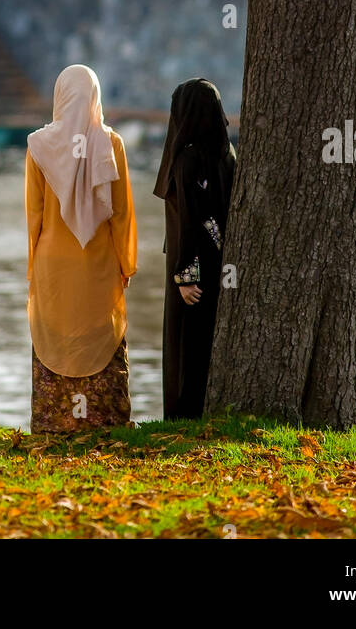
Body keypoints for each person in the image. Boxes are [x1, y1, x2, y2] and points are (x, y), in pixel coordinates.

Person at [25, 64, 137, 435]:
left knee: (57, 335)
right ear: (95, 97)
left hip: (52, 263)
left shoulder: (38, 145)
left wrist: (33, 269)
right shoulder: (111, 143)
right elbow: (120, 214)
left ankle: (54, 420)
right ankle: (104, 419)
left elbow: (35, 215)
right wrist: (126, 262)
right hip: (99, 264)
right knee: (98, 335)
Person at [154, 78, 236, 420]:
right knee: (207, 341)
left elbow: (190, 220)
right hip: (220, 264)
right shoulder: (227, 153)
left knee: (185, 342)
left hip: (192, 270)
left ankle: (182, 415)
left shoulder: (187, 159)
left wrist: (185, 275)